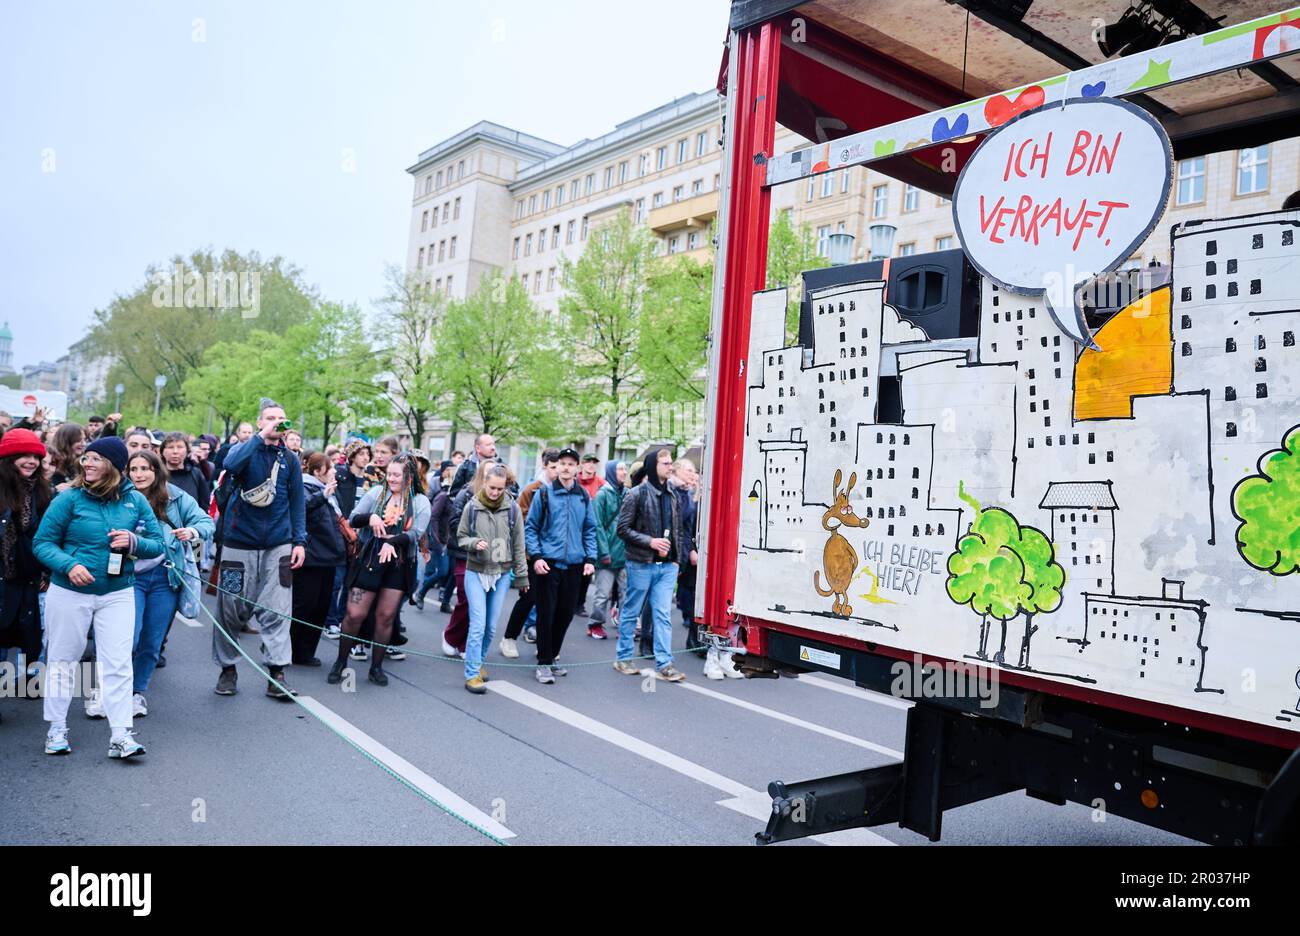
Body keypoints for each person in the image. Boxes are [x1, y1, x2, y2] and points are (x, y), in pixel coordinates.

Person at [33, 436, 166, 758]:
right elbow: (42, 543)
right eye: (85, 458)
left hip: (118, 591)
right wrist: (70, 565)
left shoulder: (135, 501)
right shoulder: (69, 499)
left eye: (96, 459)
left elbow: (158, 544)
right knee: (64, 659)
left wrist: (134, 541)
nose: (87, 463)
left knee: (118, 663)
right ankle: (56, 729)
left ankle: (121, 735)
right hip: (69, 591)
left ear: (114, 466)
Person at [211, 399, 306, 699]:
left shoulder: (290, 460)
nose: (277, 423)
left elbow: (297, 502)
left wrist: (299, 541)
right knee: (230, 607)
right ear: (260, 421)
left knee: (278, 608)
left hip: (278, 544)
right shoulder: (244, 450)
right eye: (270, 418)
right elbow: (229, 464)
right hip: (238, 543)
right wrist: (259, 436)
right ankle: (228, 669)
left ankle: (276, 672)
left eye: (281, 418)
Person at [125, 450, 213, 716]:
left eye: (145, 468)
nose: (139, 474)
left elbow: (206, 522)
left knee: (152, 641)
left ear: (156, 470)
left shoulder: (174, 495)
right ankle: (108, 689)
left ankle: (136, 693)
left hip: (165, 577)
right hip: (129, 577)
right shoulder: (120, 495)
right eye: (134, 469)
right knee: (129, 637)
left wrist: (192, 531)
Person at [328, 457, 429, 688]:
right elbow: (353, 518)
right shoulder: (376, 493)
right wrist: (371, 517)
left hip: (399, 563)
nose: (391, 479)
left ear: (409, 477)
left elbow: (417, 533)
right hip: (371, 557)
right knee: (354, 614)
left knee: (385, 617)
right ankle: (341, 662)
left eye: (397, 475)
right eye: (389, 474)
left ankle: (376, 667)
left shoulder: (420, 501)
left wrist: (393, 542)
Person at [614, 446, 688, 683]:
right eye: (665, 463)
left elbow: (678, 529)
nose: (670, 466)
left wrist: (677, 560)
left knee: (663, 614)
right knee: (631, 610)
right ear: (652, 467)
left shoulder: (673, 494)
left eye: (671, 462)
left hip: (667, 567)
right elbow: (622, 529)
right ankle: (623, 658)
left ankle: (664, 664)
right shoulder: (636, 494)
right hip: (641, 563)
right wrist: (651, 542)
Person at [524, 447, 595, 685]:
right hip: (548, 564)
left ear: (577, 468)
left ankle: (552, 656)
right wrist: (536, 557)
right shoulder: (544, 495)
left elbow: (589, 529)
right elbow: (531, 527)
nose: (565, 467)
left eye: (570, 464)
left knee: (565, 614)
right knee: (546, 614)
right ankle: (543, 663)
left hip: (574, 565)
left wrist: (590, 559)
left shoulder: (583, 496)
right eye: (561, 463)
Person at [457, 462, 527, 694]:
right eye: (492, 488)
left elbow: (518, 544)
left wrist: (522, 576)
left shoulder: (513, 509)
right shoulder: (472, 507)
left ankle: (479, 663)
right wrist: (474, 543)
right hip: (476, 570)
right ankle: (472, 674)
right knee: (477, 624)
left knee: (490, 626)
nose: (495, 492)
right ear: (485, 482)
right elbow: (461, 537)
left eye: (500, 488)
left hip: (502, 572)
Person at [0, 429, 53, 698]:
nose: (31, 461)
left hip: (29, 577)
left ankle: (26, 682)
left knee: (28, 635)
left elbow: (52, 535)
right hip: (3, 575)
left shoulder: (43, 493)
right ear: (9, 459)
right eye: (24, 455)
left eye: (36, 456)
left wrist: (47, 571)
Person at [500, 449, 558, 657]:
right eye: (553, 467)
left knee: (552, 603)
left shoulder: (565, 491)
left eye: (559, 467)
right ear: (545, 466)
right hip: (531, 554)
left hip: (556, 555)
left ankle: (546, 645)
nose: (557, 471)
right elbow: (519, 521)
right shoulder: (532, 490)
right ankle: (509, 638)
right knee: (528, 598)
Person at [293, 452, 346, 667]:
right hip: (311, 556)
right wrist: (322, 495)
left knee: (321, 607)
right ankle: (289, 648)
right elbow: (302, 509)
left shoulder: (330, 491)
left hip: (330, 556)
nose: (334, 470)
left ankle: (306, 652)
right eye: (329, 467)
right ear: (317, 471)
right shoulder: (306, 487)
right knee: (304, 605)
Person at [324, 440, 372, 641]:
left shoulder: (372, 479)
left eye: (367, 454)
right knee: (336, 580)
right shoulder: (342, 475)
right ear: (352, 456)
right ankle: (330, 621)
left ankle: (342, 618)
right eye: (361, 454)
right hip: (342, 532)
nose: (365, 457)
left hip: (362, 535)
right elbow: (333, 501)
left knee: (350, 581)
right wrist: (343, 524)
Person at [589, 460, 627, 640]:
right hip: (608, 554)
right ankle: (595, 624)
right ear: (612, 471)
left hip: (626, 554)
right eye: (620, 469)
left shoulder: (628, 494)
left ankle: (625, 626)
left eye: (625, 469)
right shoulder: (602, 495)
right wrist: (603, 552)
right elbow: (597, 525)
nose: (624, 472)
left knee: (626, 593)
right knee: (602, 594)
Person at [160, 432, 210, 513]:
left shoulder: (195, 474)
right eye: (170, 447)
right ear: (162, 451)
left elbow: (204, 505)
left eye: (180, 447)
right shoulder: (156, 475)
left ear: (187, 451)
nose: (175, 451)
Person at [46, 422, 85, 491]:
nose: (84, 444)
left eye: (84, 439)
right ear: (66, 440)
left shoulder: (81, 461)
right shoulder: (50, 460)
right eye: (79, 440)